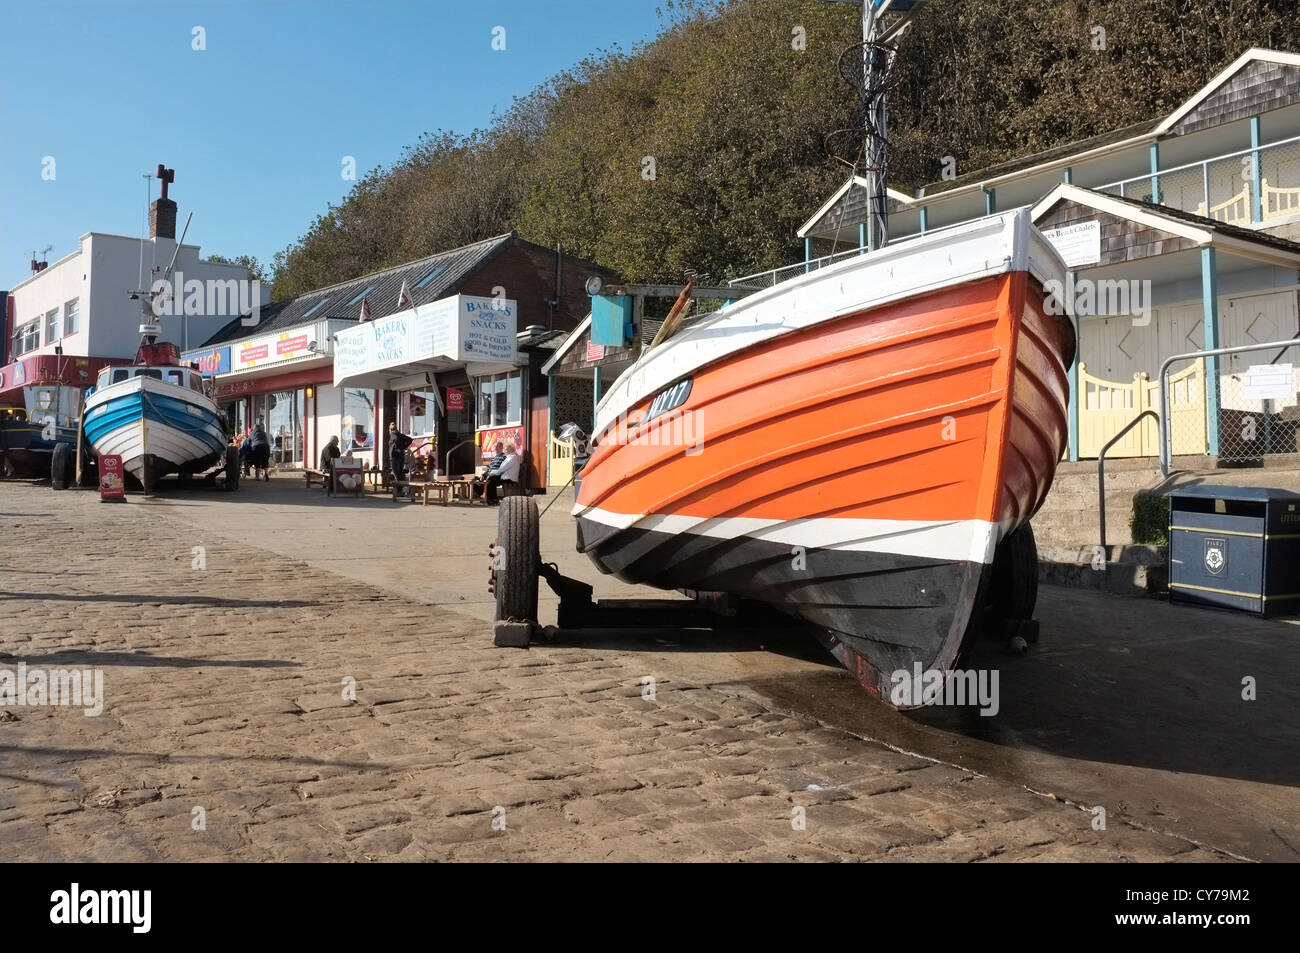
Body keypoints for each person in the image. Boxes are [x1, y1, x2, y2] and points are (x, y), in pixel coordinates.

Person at [388, 422, 413, 492]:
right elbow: (410, 440)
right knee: (400, 473)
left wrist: (400, 448)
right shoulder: (400, 435)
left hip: (394, 458)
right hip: (401, 456)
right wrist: (403, 447)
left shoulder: (393, 435)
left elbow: (395, 444)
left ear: (390, 429)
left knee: (397, 474)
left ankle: (399, 490)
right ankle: (401, 489)